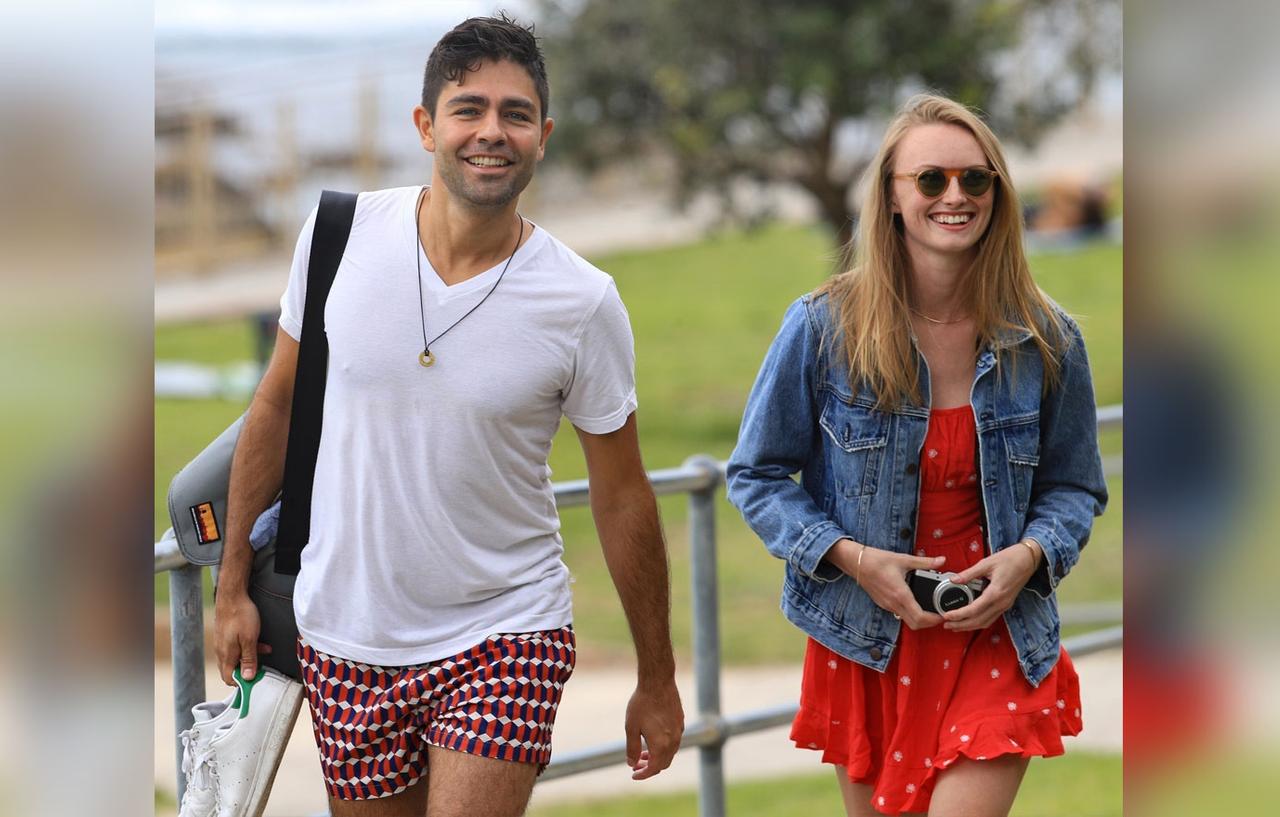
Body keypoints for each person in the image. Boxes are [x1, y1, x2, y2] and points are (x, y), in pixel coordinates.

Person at [213, 15, 683, 817]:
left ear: (544, 136)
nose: (491, 132)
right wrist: (231, 587)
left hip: (506, 632)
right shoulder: (338, 236)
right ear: (426, 125)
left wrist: (657, 674)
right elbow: (277, 405)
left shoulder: (581, 299)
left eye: (517, 113)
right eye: (469, 109)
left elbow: (622, 492)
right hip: (345, 635)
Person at [726, 93, 1108, 817]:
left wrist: (1029, 555)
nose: (955, 196)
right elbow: (756, 473)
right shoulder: (823, 327)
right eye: (931, 180)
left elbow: (1075, 487)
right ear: (893, 199)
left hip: (997, 628)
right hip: (868, 635)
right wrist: (850, 556)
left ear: (998, 192)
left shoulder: (1047, 337)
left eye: (976, 179)